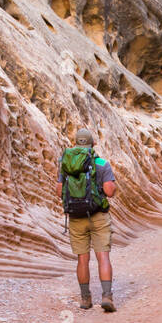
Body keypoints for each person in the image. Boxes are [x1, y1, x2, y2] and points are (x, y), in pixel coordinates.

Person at [57, 128, 117, 312]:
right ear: (93, 144)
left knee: (82, 259)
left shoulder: (65, 163)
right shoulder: (101, 163)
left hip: (76, 217)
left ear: (75, 143)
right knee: (103, 256)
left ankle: (85, 299)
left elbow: (59, 191)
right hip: (98, 215)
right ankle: (106, 297)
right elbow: (109, 191)